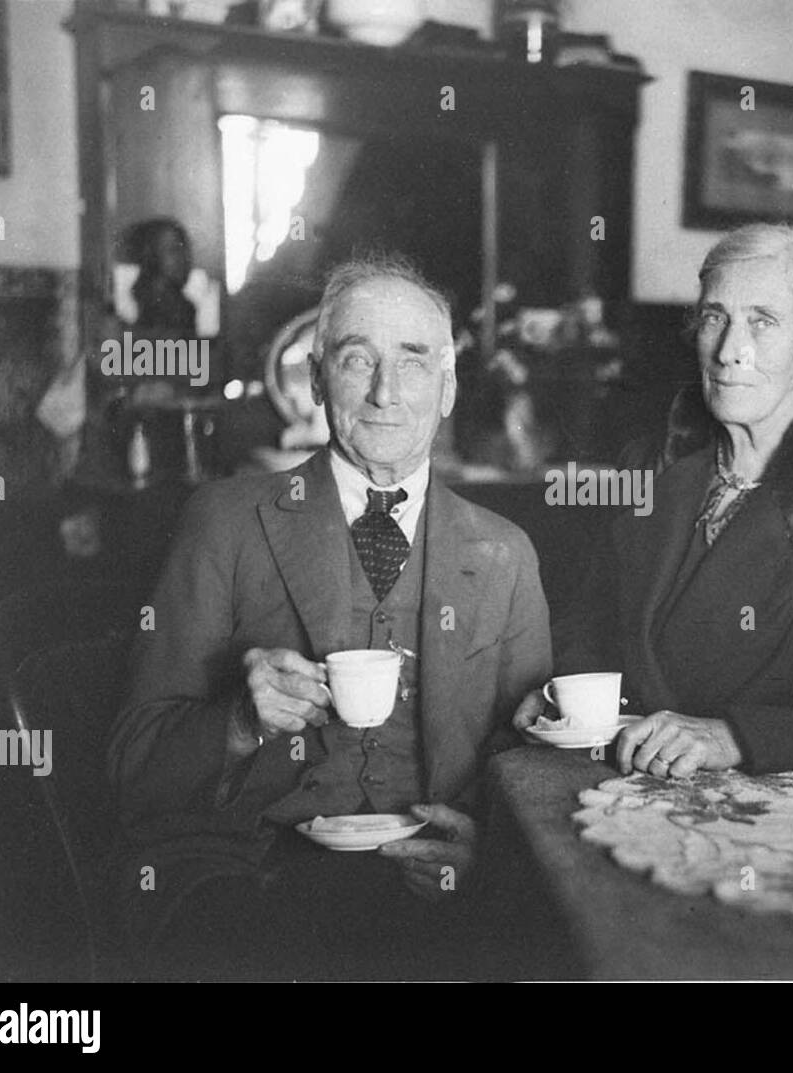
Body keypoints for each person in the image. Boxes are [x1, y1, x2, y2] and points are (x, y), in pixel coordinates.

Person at [108, 255, 552, 980]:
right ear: (314, 379)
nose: (384, 391)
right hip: (249, 874)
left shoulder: (505, 552)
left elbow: (533, 761)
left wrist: (484, 848)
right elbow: (134, 769)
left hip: (433, 884)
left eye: (412, 361)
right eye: (356, 360)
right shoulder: (223, 519)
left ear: (448, 388)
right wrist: (239, 721)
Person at [514, 223, 793, 777]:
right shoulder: (647, 467)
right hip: (626, 785)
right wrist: (563, 692)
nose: (730, 351)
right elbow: (593, 623)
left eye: (763, 321)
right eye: (715, 317)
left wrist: (737, 737)